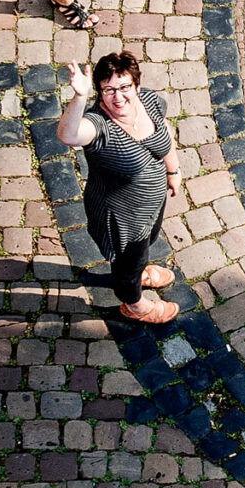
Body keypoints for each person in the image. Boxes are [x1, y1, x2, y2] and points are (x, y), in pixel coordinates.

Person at [59, 51, 185, 323]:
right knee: (126, 266)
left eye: (125, 87)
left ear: (136, 85)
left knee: (145, 246)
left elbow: (165, 132)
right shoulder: (99, 125)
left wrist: (173, 170)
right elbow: (69, 135)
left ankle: (138, 271)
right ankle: (134, 304)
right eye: (109, 90)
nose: (118, 97)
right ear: (100, 92)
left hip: (151, 204)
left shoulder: (149, 100)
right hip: (121, 218)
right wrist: (79, 96)